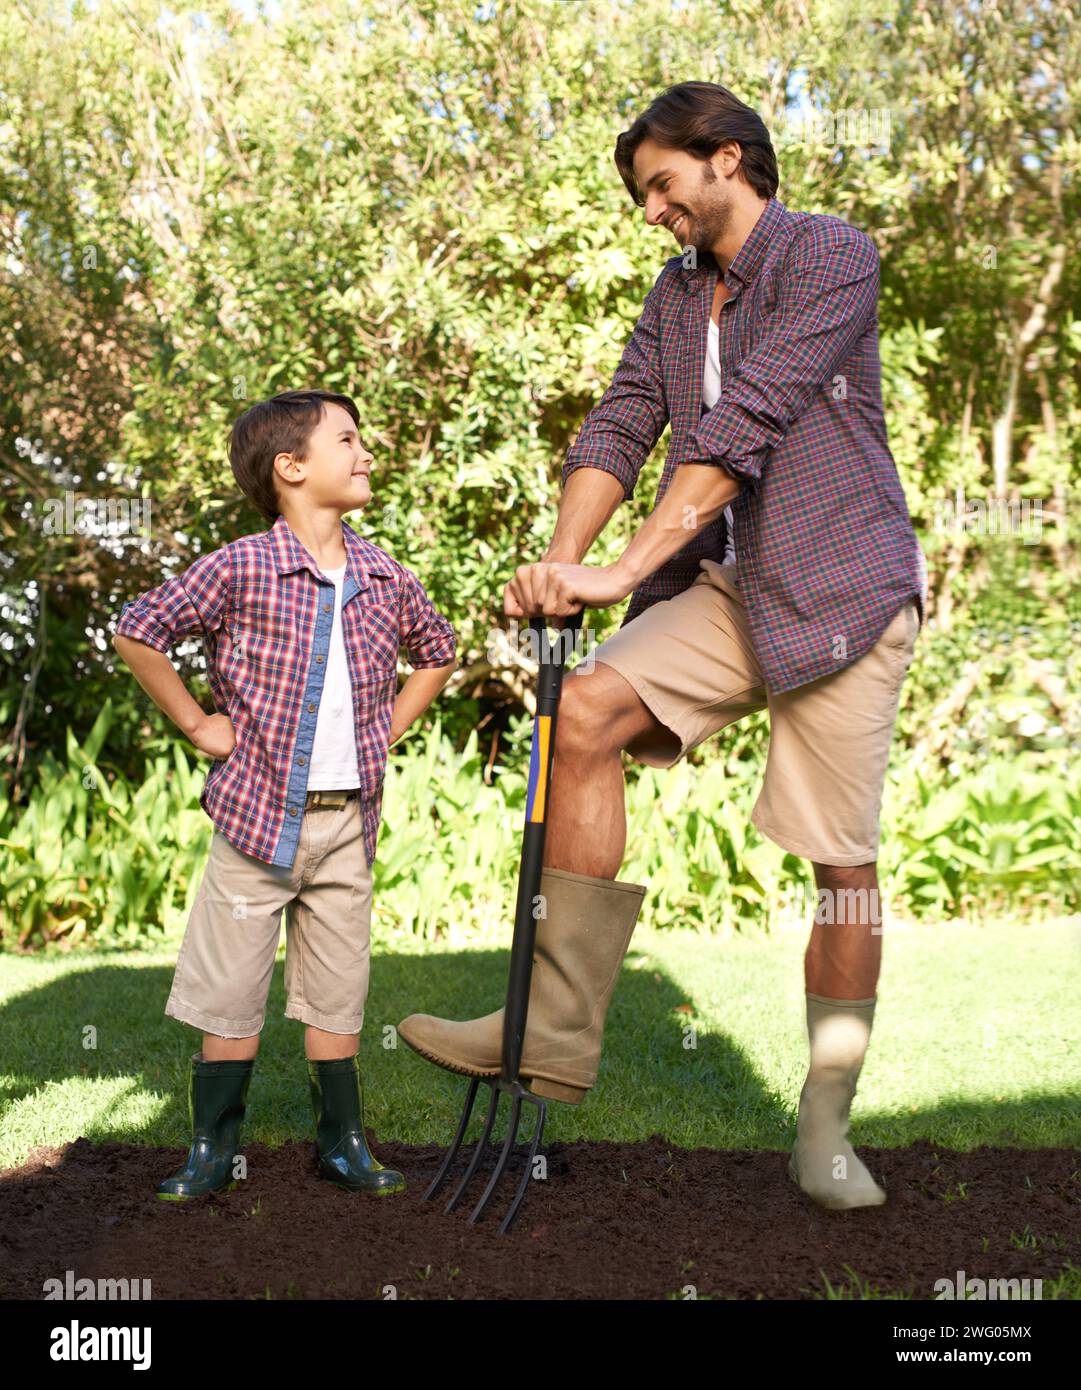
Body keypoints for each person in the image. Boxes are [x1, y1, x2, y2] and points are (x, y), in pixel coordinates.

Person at [398, 82, 927, 1212]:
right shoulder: (677, 298)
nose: (652, 210)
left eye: (660, 184)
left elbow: (750, 424)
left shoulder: (831, 255)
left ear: (725, 158)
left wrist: (622, 571)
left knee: (839, 870)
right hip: (735, 586)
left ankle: (824, 1125)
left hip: (839, 588)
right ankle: (551, 1027)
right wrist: (561, 562)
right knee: (582, 708)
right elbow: (622, 420)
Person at [112, 388, 457, 1199]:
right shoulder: (241, 566)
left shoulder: (384, 575)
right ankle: (210, 1147)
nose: (365, 452)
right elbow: (139, 628)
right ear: (291, 467)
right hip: (256, 823)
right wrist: (199, 725)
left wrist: (391, 724)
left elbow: (438, 649)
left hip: (347, 824)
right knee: (229, 990)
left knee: (338, 989)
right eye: (348, 439)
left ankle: (341, 1141)